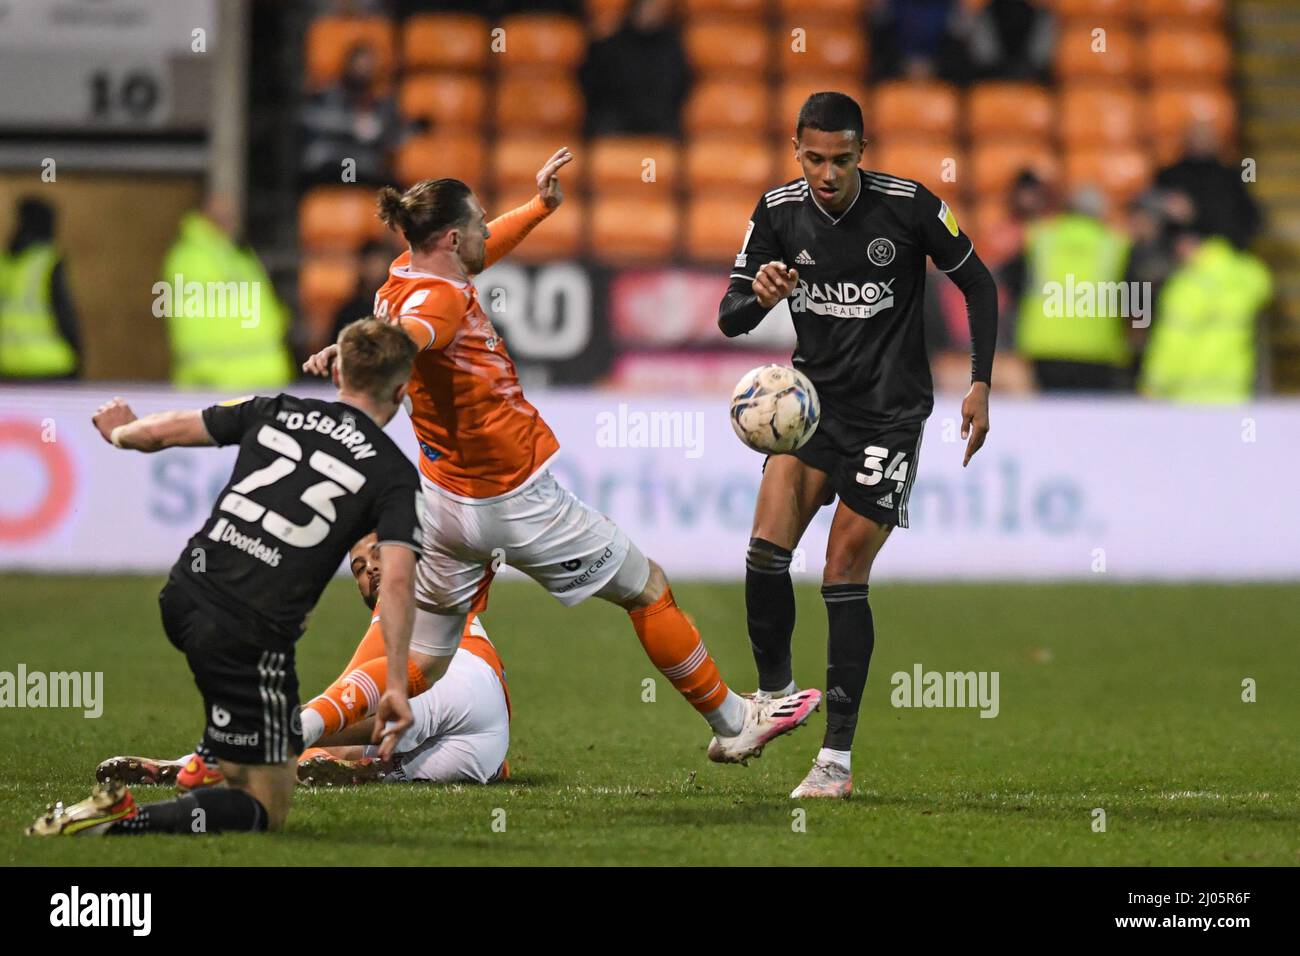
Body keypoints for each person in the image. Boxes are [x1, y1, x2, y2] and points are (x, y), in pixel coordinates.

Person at [302, 150, 822, 772]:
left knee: (425, 661)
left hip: (441, 505)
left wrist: (541, 207)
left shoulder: (403, 278)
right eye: (479, 224)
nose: (486, 232)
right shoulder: (435, 306)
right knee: (648, 590)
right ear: (449, 237)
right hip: (513, 499)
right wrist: (363, 356)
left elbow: (443, 287)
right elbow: (412, 335)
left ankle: (293, 727)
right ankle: (734, 724)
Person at [27, 319, 422, 836]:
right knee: (266, 806)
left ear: (337, 370)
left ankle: (216, 749)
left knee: (252, 747)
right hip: (245, 633)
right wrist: (395, 683)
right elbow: (394, 580)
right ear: (400, 390)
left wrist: (121, 430)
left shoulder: (275, 408)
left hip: (184, 593)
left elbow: (166, 431)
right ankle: (121, 820)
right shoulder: (393, 472)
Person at [716, 92, 998, 798]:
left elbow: (980, 284)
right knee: (763, 553)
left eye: (841, 159)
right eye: (814, 158)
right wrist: (764, 293)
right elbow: (729, 317)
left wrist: (980, 383)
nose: (827, 173)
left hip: (889, 419)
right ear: (796, 150)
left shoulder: (909, 207)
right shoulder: (778, 212)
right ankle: (774, 697)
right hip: (812, 414)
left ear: (861, 153)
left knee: (841, 572)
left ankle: (835, 762)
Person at [96, 533, 512, 788]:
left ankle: (198, 762)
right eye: (359, 567)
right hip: (483, 747)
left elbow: (356, 684)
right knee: (350, 757)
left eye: (376, 552)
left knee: (325, 720)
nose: (370, 569)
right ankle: (363, 772)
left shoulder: (414, 580)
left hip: (458, 681)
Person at [161, 194, 294, 389]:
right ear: (203, 213)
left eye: (231, 211)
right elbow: (198, 321)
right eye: (220, 210)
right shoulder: (189, 259)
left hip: (262, 379)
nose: (228, 217)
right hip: (215, 382)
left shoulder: (241, 258)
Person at [1009, 185, 1132, 391]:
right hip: (1098, 348)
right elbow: (1134, 298)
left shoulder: (1039, 238)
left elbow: (1012, 283)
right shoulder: (1117, 245)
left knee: (1051, 418)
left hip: (1045, 347)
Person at [1139, 220, 1272, 403]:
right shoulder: (1245, 275)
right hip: (1234, 389)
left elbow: (1172, 340)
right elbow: (1262, 283)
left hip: (1186, 393)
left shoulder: (1185, 285)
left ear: (1189, 243)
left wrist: (1153, 384)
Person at [0, 197, 80, 379]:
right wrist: (78, 356)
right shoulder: (47, 261)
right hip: (50, 364)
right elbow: (65, 314)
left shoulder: (4, 264)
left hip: (7, 367)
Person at [1154, 120, 1261, 251]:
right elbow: (1148, 213)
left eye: (1206, 136)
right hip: (1178, 253)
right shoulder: (1168, 176)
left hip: (1223, 251)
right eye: (1196, 136)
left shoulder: (1231, 177)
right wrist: (1163, 206)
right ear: (1185, 140)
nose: (1201, 141)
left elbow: (1250, 217)